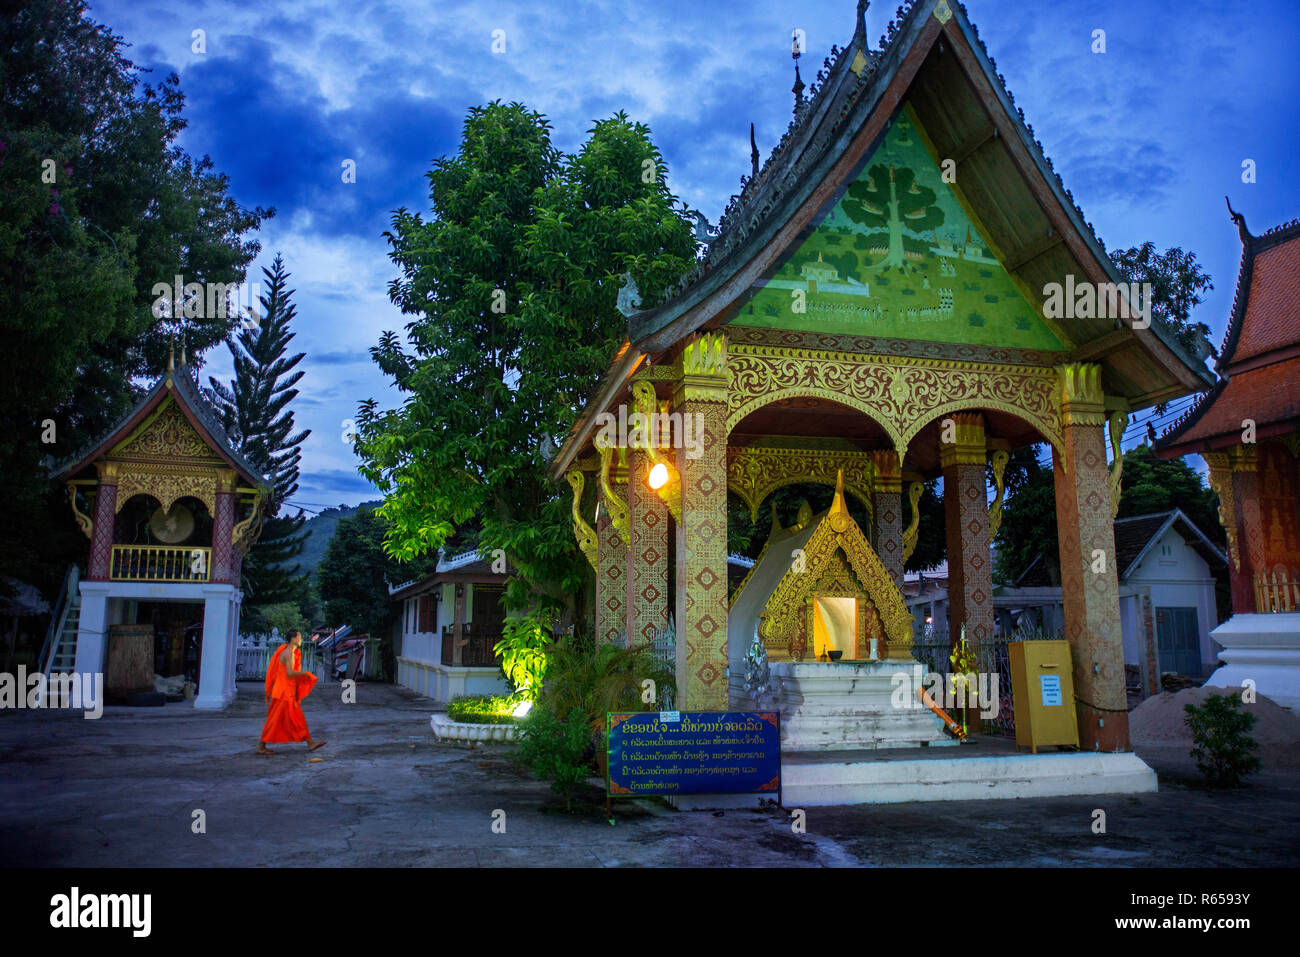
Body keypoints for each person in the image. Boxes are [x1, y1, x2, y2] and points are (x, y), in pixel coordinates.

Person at [256, 629, 325, 754]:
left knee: (280, 719)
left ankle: (310, 743)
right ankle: (310, 743)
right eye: (299, 637)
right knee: (287, 719)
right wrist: (305, 673)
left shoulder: (289, 651)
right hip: (284, 693)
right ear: (293, 638)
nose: (301, 639)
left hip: (284, 691)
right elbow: (290, 673)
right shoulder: (288, 653)